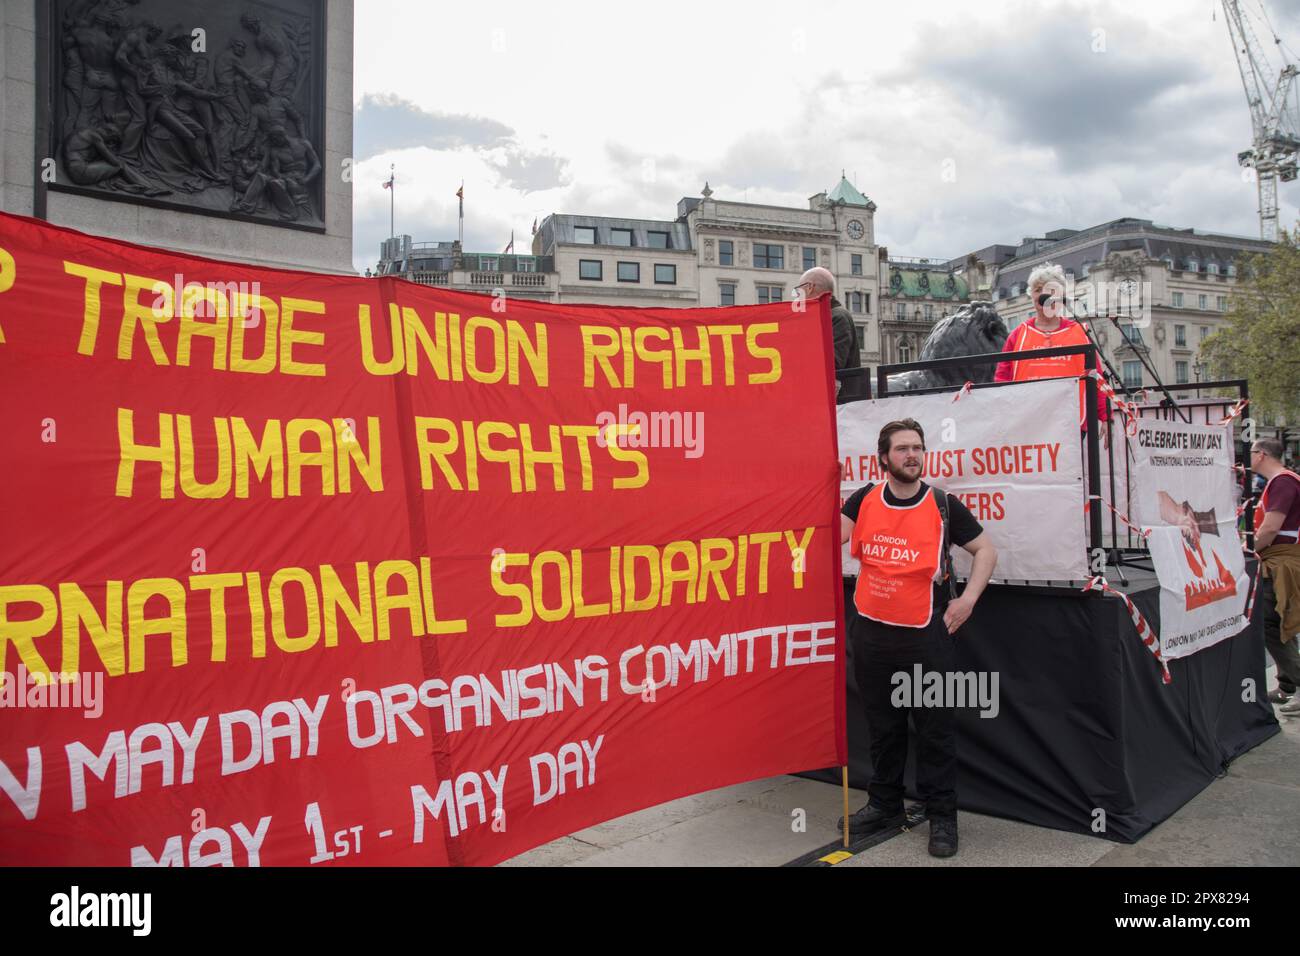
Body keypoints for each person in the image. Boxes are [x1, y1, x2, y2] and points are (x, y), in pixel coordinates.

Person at [837, 418, 998, 857]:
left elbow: (986, 551)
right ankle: (884, 804)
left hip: (926, 638)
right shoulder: (864, 498)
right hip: (871, 634)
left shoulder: (943, 504)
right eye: (903, 448)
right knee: (883, 730)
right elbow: (828, 535)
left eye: (917, 447)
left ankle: (942, 816)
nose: (912, 455)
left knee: (935, 731)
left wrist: (967, 600)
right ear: (883, 458)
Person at [994, 262, 1107, 430]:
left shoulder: (1079, 332)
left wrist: (1104, 416)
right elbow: (1002, 379)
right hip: (1029, 422)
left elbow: (1095, 376)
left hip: (1070, 421)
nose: (1043, 295)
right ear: (1031, 295)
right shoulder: (1018, 335)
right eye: (1038, 290)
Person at [1249, 439, 1300, 710]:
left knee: (1273, 623)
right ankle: (1286, 684)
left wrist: (1247, 549)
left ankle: (1293, 682)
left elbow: (1270, 529)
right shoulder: (1283, 481)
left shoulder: (1282, 482)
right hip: (1281, 558)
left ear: (1262, 455)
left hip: (1281, 561)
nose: (1249, 456)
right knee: (1282, 622)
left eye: (1252, 452)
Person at [796, 266, 859, 371]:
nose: (798, 297)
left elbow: (834, 362)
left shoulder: (838, 317)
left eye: (799, 291)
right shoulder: (826, 316)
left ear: (809, 287)